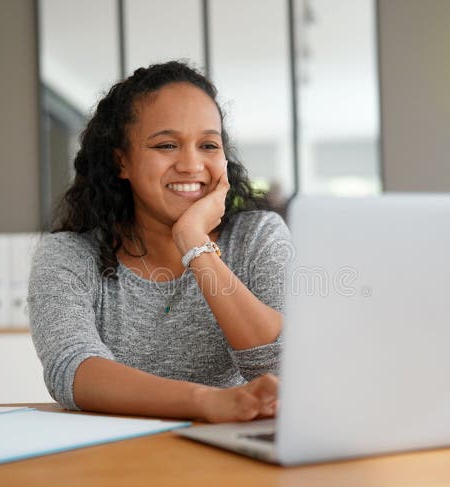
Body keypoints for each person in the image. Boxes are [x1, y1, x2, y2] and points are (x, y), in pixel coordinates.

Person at [28, 61, 292, 423]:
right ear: (121, 161)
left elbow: (282, 368)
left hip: (235, 460)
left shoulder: (258, 236)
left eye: (208, 145)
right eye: (167, 145)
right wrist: (205, 401)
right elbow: (73, 370)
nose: (190, 164)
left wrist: (194, 244)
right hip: (115, 464)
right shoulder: (68, 255)